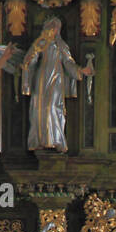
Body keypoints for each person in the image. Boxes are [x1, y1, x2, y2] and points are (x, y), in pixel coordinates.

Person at [21, 17, 93, 153]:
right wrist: (32, 55)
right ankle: (39, 140)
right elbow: (29, 61)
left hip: (56, 79)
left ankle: (56, 139)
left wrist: (80, 70)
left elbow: (68, 62)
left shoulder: (62, 45)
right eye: (52, 28)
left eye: (56, 28)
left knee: (54, 107)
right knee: (39, 107)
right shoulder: (40, 43)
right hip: (41, 78)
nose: (54, 30)